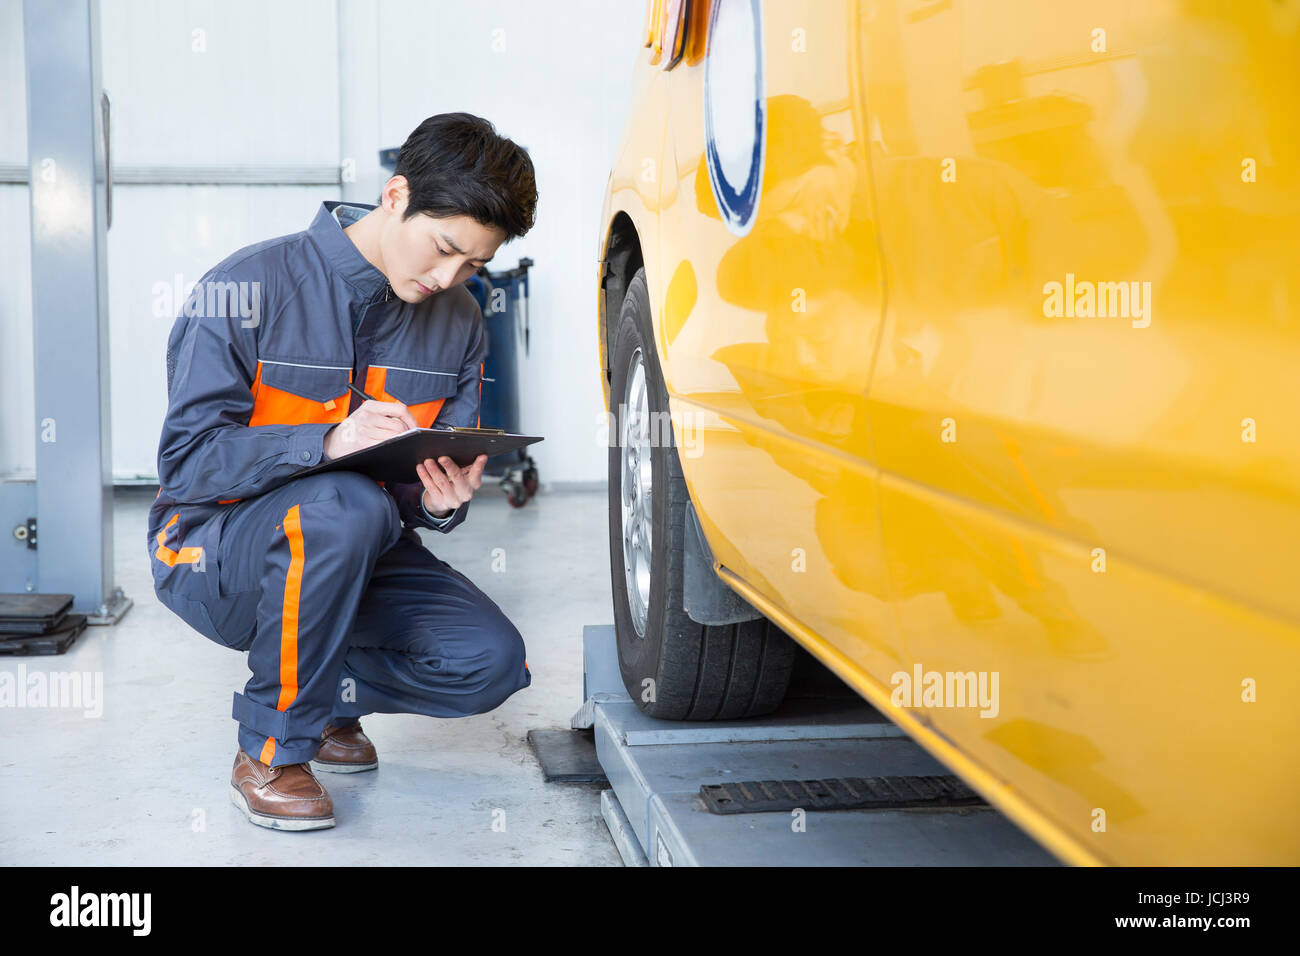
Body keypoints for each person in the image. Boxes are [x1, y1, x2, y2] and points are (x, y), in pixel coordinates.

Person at [146, 113, 539, 830]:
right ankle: (271, 749)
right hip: (210, 547)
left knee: (489, 661)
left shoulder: (461, 323)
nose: (449, 278)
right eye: (445, 248)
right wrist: (324, 440)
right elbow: (187, 462)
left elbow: (411, 498)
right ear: (395, 196)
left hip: (360, 547)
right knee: (342, 505)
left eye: (474, 265)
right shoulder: (245, 288)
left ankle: (325, 698)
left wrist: (441, 501)